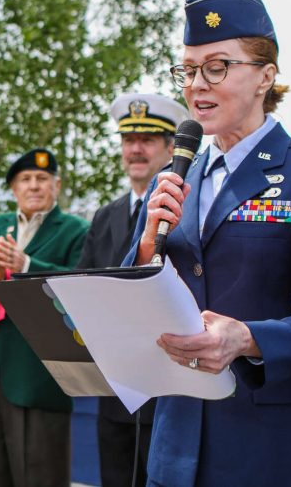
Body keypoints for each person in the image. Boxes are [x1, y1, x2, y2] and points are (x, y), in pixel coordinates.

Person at [124, 0, 291, 486]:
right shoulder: (174, 178)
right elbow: (134, 296)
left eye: (217, 67)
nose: (197, 84)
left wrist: (249, 337)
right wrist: (148, 243)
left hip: (273, 447)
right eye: (188, 69)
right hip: (176, 444)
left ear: (266, 76)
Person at [0, 148, 89, 487]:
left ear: (57, 185)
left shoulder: (76, 230)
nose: (34, 186)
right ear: (14, 189)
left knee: (40, 476)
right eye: (25, 179)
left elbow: (83, 285)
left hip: (39, 375)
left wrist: (27, 267)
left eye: (42, 179)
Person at [79, 93, 187, 487]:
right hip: (116, 386)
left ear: (170, 148)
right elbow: (84, 284)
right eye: (129, 140)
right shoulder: (104, 216)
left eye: (147, 140)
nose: (136, 149)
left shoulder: (187, 208)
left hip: (170, 385)